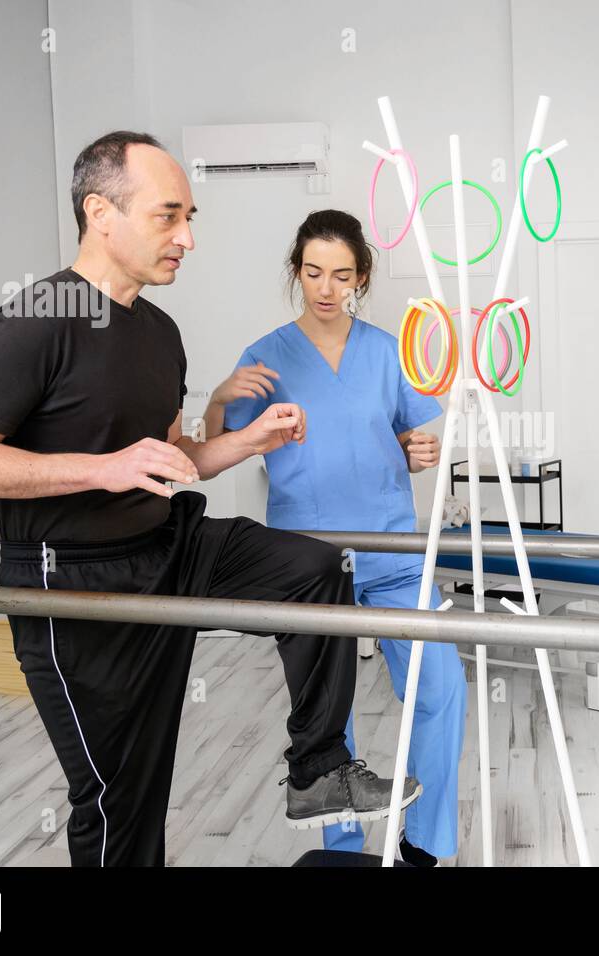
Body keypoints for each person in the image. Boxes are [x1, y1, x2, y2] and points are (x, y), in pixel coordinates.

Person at [0, 132, 417, 866]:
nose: (187, 238)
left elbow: (167, 463)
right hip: (75, 588)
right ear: (101, 213)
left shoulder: (158, 331)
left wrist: (245, 444)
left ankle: (317, 769)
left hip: (167, 543)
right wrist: (97, 469)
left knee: (313, 570)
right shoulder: (35, 319)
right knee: (123, 796)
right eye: (168, 216)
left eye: (191, 218)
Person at [202, 210, 466, 867]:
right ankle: (343, 847)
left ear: (362, 278)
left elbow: (398, 440)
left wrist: (414, 448)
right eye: (313, 272)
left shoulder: (386, 352)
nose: (326, 287)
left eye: (341, 275)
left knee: (443, 686)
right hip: (312, 565)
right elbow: (213, 449)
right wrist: (217, 396)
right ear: (297, 272)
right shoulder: (264, 358)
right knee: (331, 717)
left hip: (395, 555)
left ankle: (424, 843)